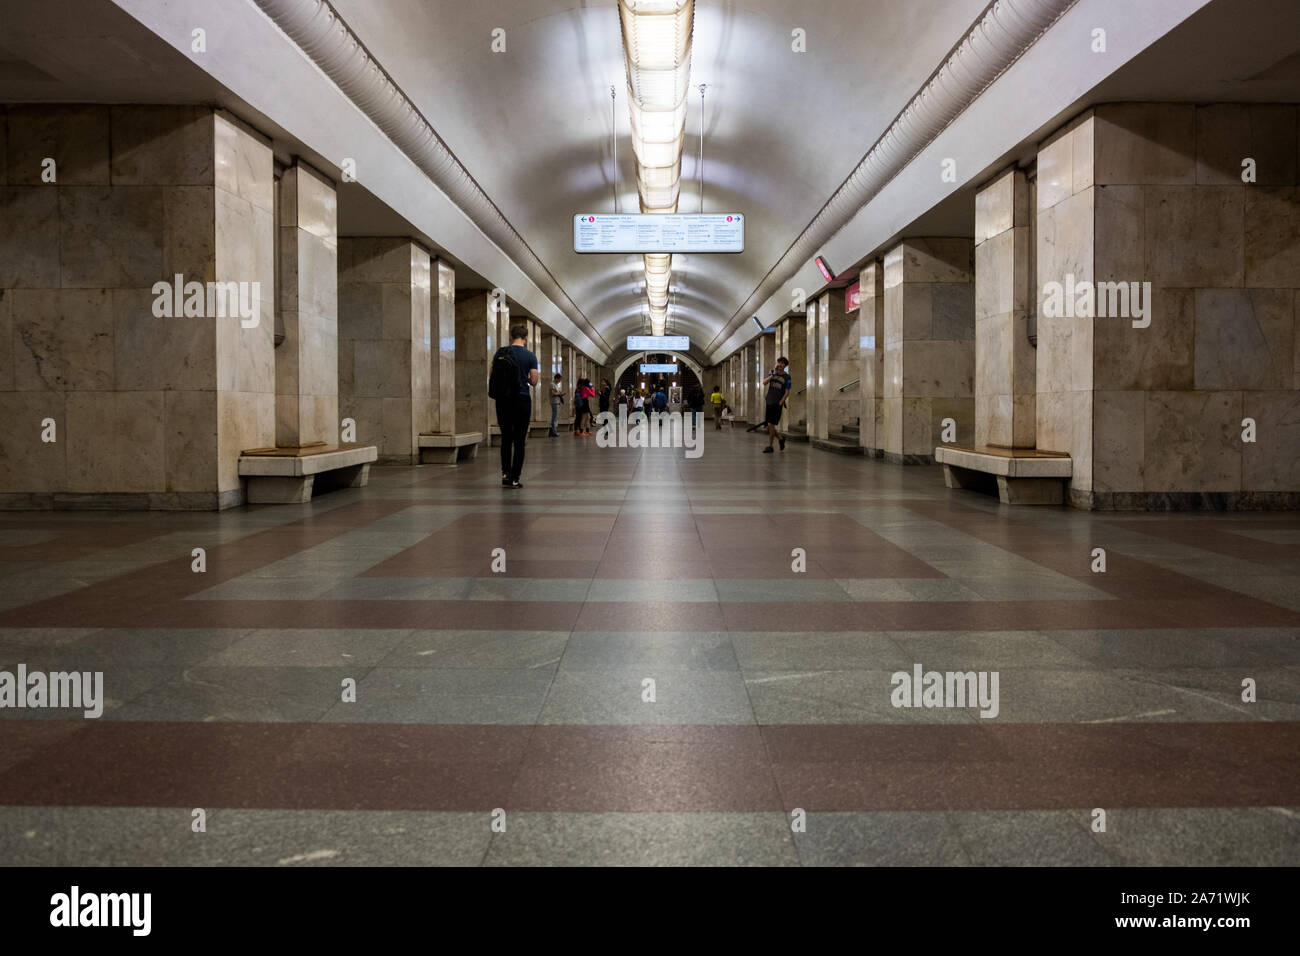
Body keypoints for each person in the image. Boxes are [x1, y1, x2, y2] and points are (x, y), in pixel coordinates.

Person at [489, 323, 539, 488]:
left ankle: (505, 473)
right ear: (526, 338)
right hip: (522, 400)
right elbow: (534, 381)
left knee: (506, 438)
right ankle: (515, 477)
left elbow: (492, 375)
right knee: (519, 439)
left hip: (503, 400)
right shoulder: (530, 356)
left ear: (511, 336)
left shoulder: (500, 353)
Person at [760, 356, 791, 453]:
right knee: (770, 425)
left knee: (770, 424)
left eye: (782, 363)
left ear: (785, 366)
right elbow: (764, 383)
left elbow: (787, 392)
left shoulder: (787, 377)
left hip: (777, 403)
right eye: (779, 362)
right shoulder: (772, 372)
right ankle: (780, 439)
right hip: (769, 401)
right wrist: (772, 375)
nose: (780, 365)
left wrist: (780, 402)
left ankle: (770, 446)